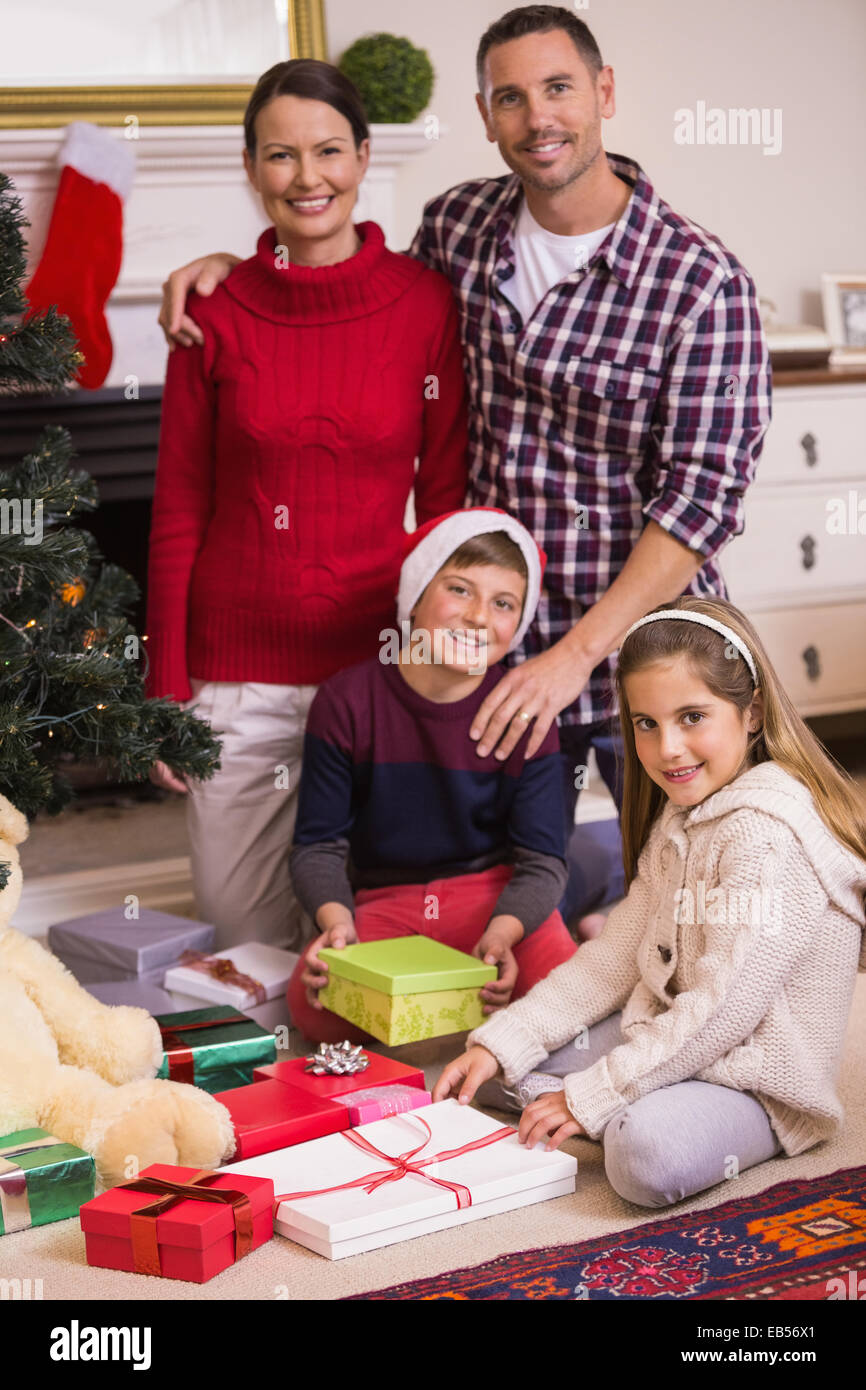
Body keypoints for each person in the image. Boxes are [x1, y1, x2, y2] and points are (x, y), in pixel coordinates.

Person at [157, 8, 771, 921]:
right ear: (485, 115)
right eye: (511, 97)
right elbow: (343, 303)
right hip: (486, 648)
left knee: (703, 896)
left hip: (638, 645)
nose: (539, 118)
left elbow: (702, 504)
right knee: (501, 914)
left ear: (603, 93)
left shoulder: (701, 280)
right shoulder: (461, 226)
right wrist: (232, 267)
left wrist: (573, 657)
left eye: (559, 88)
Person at [145, 60, 469, 952]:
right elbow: (177, 507)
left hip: (374, 670)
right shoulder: (210, 311)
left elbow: (443, 503)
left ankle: (369, 1096)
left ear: (364, 157)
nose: (307, 177)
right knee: (239, 944)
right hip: (235, 680)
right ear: (251, 169)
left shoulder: (425, 305)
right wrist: (164, 687)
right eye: (280, 156)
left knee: (362, 943)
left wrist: (438, 669)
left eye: (329, 150)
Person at [433, 597, 866, 1209]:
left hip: (757, 1077)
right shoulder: (684, 816)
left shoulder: (767, 834)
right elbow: (611, 958)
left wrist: (593, 1095)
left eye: (693, 717)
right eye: (647, 723)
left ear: (752, 713)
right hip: (672, 1028)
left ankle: (629, 1103)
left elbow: (724, 1011)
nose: (668, 749)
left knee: (643, 1157)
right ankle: (618, 1089)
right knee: (499, 1070)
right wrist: (503, 1040)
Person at [287, 508, 579, 1042]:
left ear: (517, 624)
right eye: (460, 590)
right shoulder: (346, 701)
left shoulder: (527, 710)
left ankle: (586, 923)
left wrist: (504, 936)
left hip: (492, 899)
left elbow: (542, 862)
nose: (477, 617)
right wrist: (335, 923)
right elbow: (317, 846)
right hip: (386, 903)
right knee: (314, 1004)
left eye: (503, 603)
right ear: (417, 596)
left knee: (569, 993)